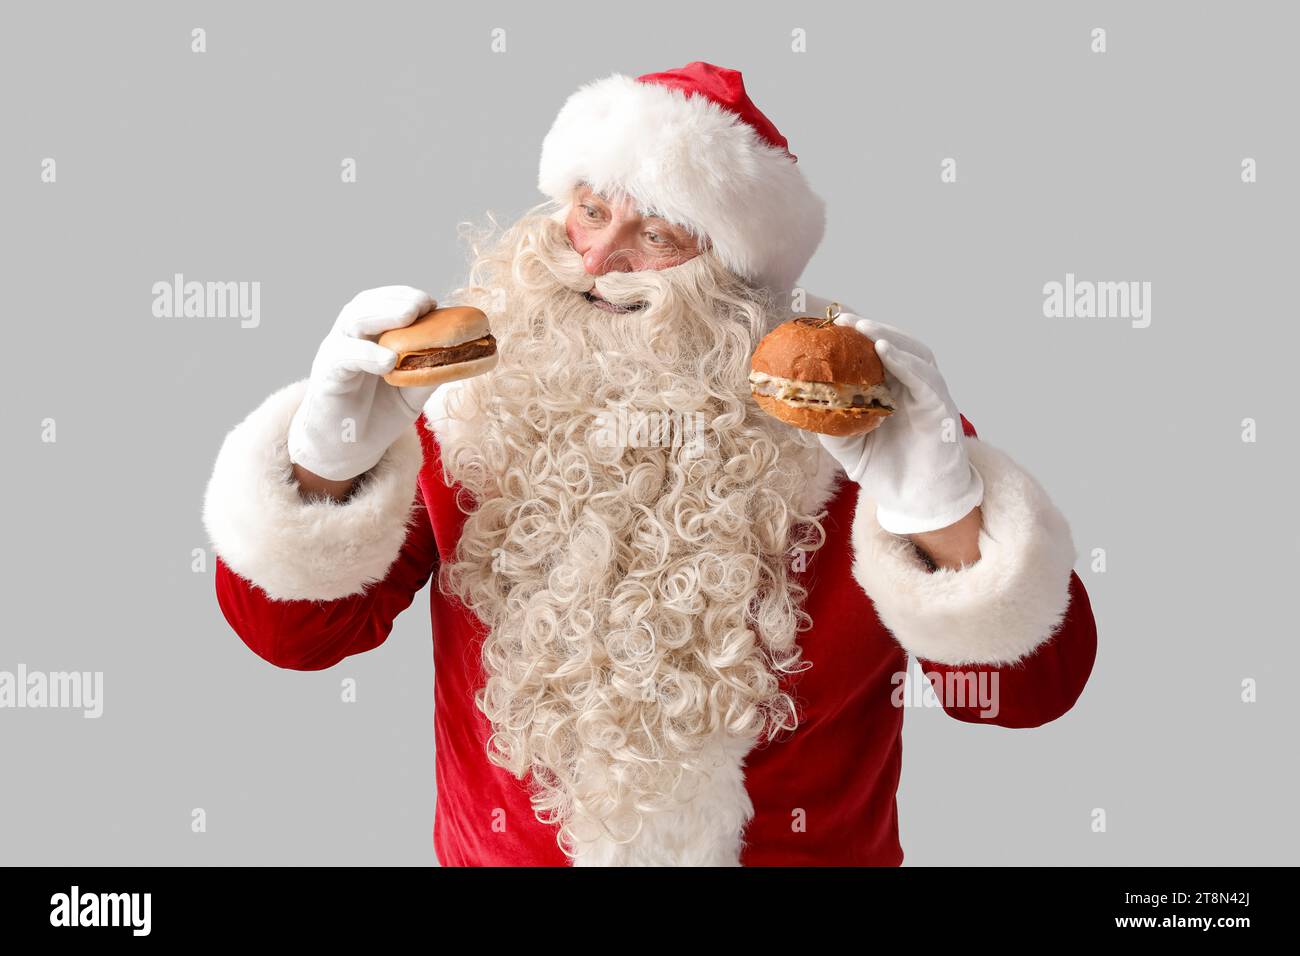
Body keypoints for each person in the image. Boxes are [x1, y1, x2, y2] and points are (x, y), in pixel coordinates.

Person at [202, 62, 1097, 866]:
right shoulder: (463, 404)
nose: (597, 258)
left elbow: (1026, 697)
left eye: (659, 234)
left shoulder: (865, 430)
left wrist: (938, 512)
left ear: (740, 272)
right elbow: (294, 642)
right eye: (591, 209)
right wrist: (323, 470)